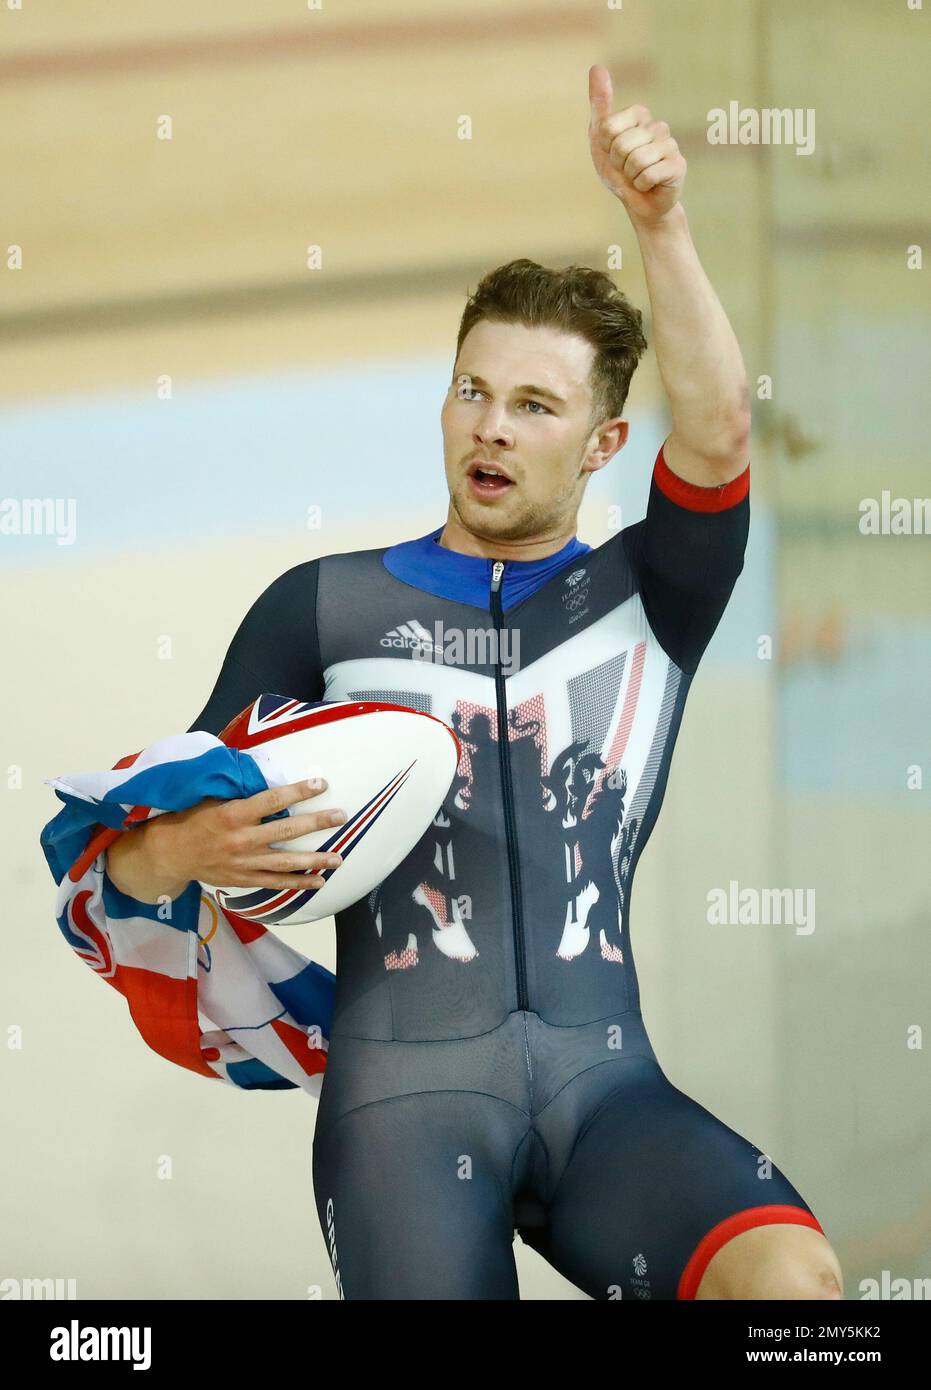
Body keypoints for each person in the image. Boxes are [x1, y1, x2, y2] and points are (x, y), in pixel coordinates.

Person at [105, 66, 843, 1300]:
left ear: (605, 442)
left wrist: (658, 222)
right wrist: (183, 848)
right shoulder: (324, 606)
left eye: (534, 406)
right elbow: (117, 861)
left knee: (794, 1287)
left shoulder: (650, 593)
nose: (490, 427)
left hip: (610, 1091)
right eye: (472, 391)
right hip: (401, 1113)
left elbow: (716, 435)